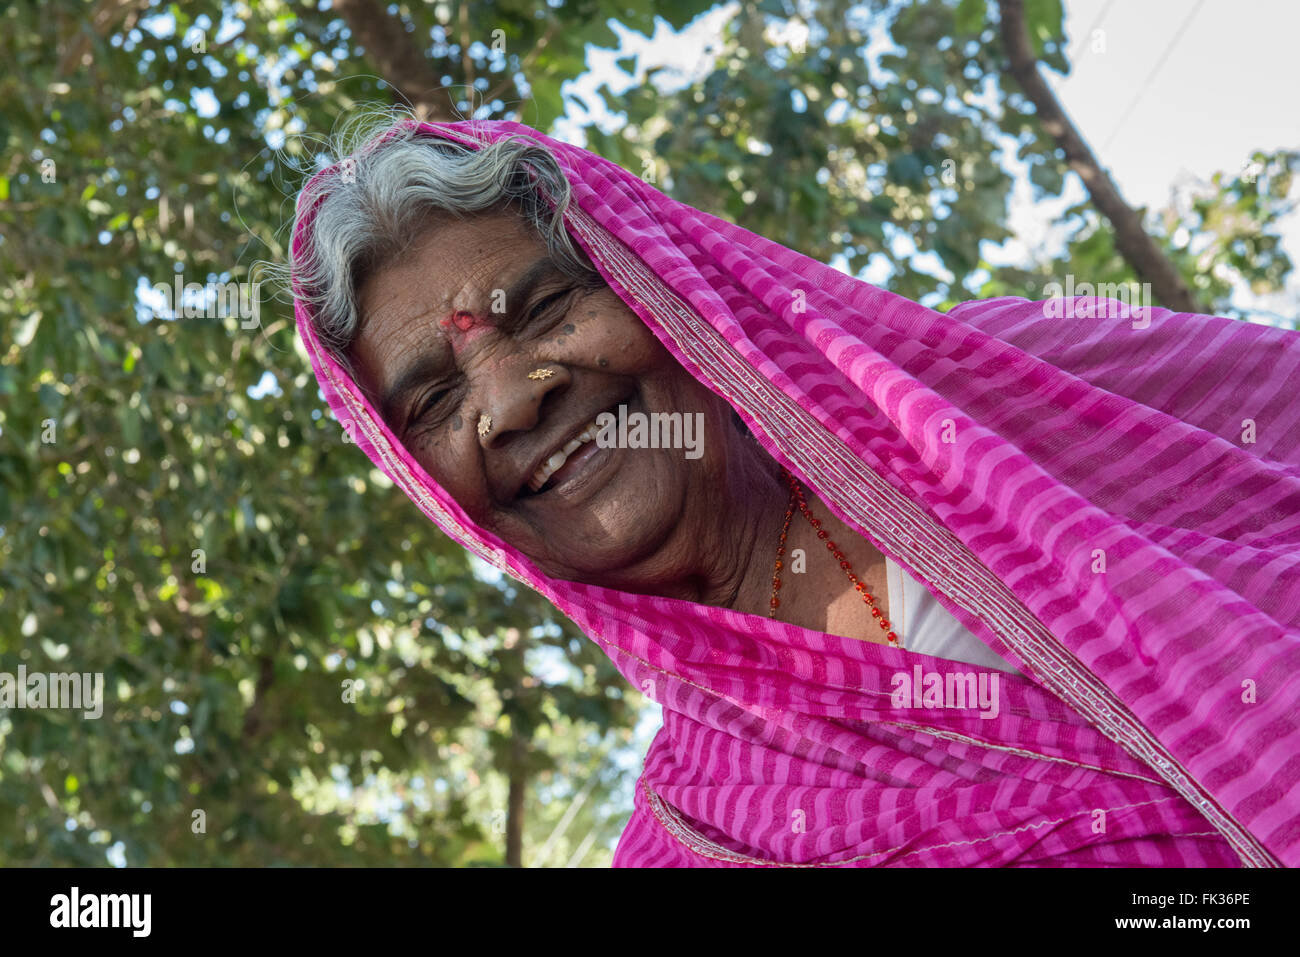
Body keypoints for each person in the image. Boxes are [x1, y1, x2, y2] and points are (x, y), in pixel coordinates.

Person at [290, 112, 1300, 866]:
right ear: (435, 491)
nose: (510, 400)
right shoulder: (701, 837)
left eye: (545, 305)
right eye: (431, 403)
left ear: (654, 283)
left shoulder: (995, 396)